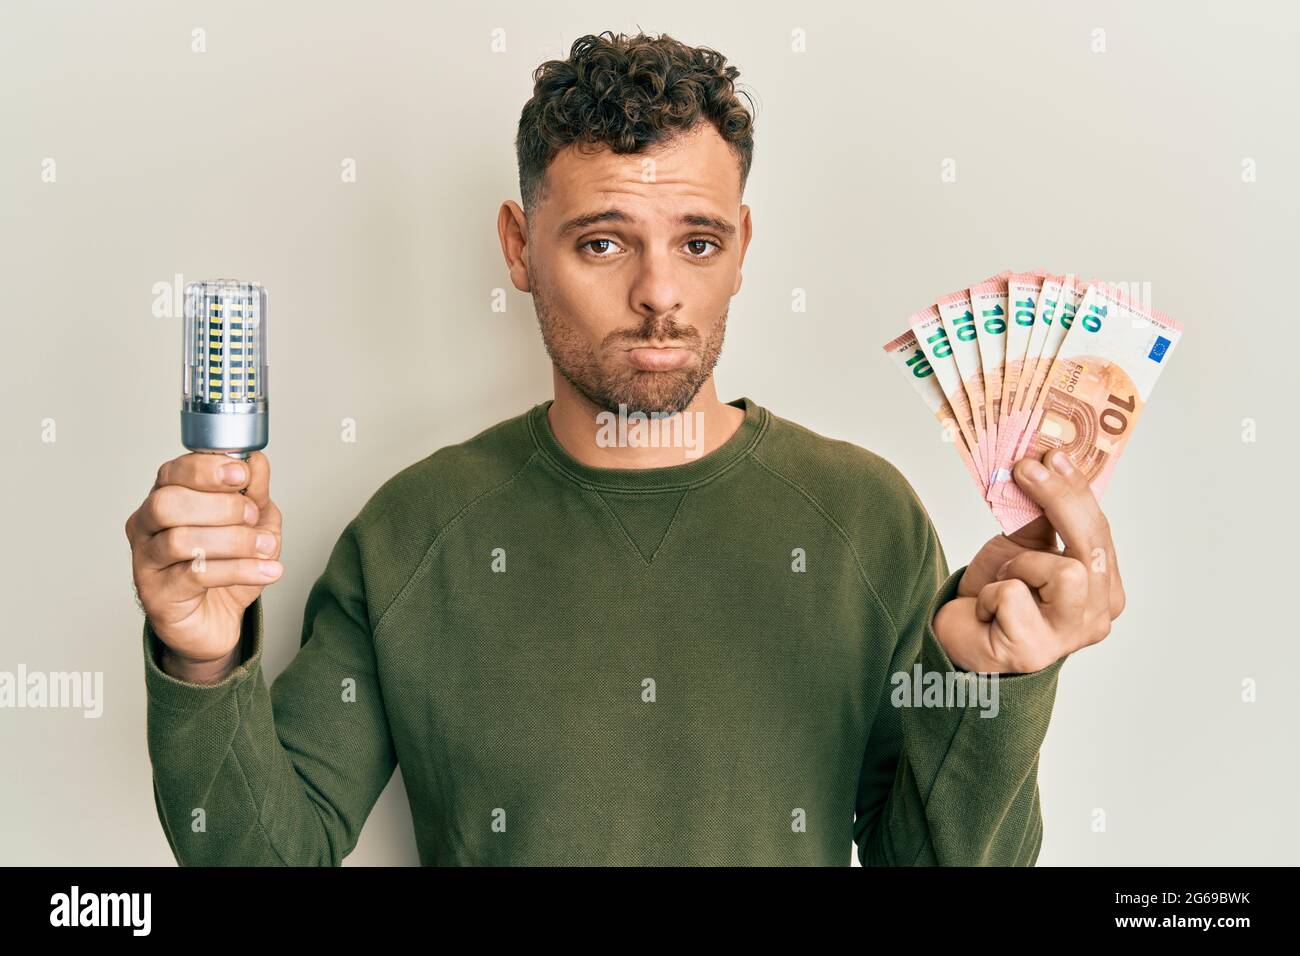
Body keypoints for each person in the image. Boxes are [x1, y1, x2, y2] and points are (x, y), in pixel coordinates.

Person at [124, 30, 1125, 866]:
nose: (659, 293)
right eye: (602, 242)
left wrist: (992, 687)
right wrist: (201, 662)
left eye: (697, 242)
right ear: (519, 246)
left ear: (741, 247)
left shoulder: (865, 518)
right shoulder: (411, 532)